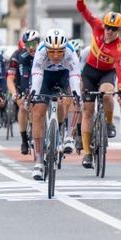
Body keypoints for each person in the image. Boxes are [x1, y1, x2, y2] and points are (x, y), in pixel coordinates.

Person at [75, 0, 121, 170]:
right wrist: (80, 0)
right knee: (88, 110)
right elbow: (83, 12)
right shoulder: (97, 26)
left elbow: (120, 68)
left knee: (107, 94)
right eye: (108, 27)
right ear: (104, 25)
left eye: (115, 29)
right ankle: (88, 154)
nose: (110, 32)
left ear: (119, 31)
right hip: (89, 71)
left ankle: (109, 122)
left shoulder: (119, 47)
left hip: (106, 73)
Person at [29, 29, 82, 181]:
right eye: (52, 52)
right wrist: (34, 92)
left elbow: (74, 75)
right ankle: (39, 161)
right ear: (46, 49)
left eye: (60, 52)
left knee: (74, 98)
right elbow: (37, 74)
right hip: (45, 78)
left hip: (65, 75)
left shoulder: (71, 53)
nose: (56, 55)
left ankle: (69, 136)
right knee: (38, 112)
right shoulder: (40, 52)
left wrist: (76, 93)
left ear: (65, 48)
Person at [7, 30, 39, 155]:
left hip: (38, 79)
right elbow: (10, 78)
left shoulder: (43, 52)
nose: (31, 48)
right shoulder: (17, 56)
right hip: (21, 81)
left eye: (33, 45)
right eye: (27, 45)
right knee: (23, 105)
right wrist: (14, 93)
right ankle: (24, 139)